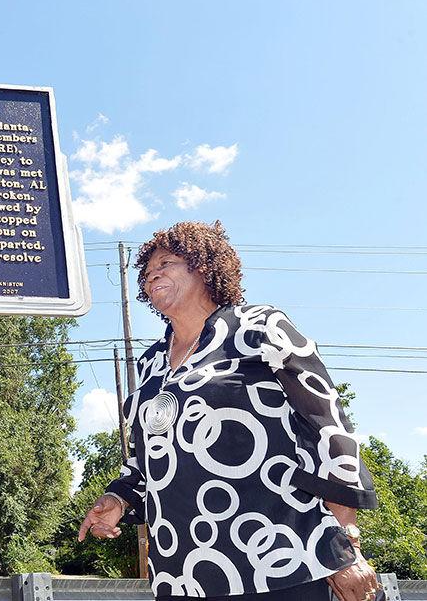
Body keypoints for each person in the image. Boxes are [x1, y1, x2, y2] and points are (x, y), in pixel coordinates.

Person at [78, 221, 379, 601]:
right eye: (147, 270)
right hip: (183, 573)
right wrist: (118, 500)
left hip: (280, 560)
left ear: (203, 267)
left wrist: (344, 545)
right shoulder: (152, 362)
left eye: (167, 262)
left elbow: (328, 428)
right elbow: (150, 456)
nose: (152, 272)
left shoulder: (260, 327)